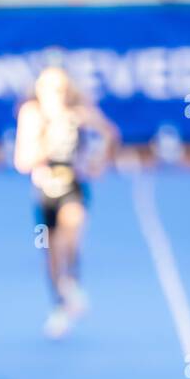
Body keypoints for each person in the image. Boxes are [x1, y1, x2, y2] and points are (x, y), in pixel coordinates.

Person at [14, 67, 119, 339]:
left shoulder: (78, 113)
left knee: (70, 237)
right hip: (44, 191)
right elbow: (21, 161)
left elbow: (110, 133)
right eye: (46, 89)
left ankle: (72, 282)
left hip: (73, 186)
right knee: (50, 254)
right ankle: (59, 306)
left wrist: (98, 163)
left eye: (58, 89)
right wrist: (48, 143)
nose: (52, 95)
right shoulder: (31, 115)